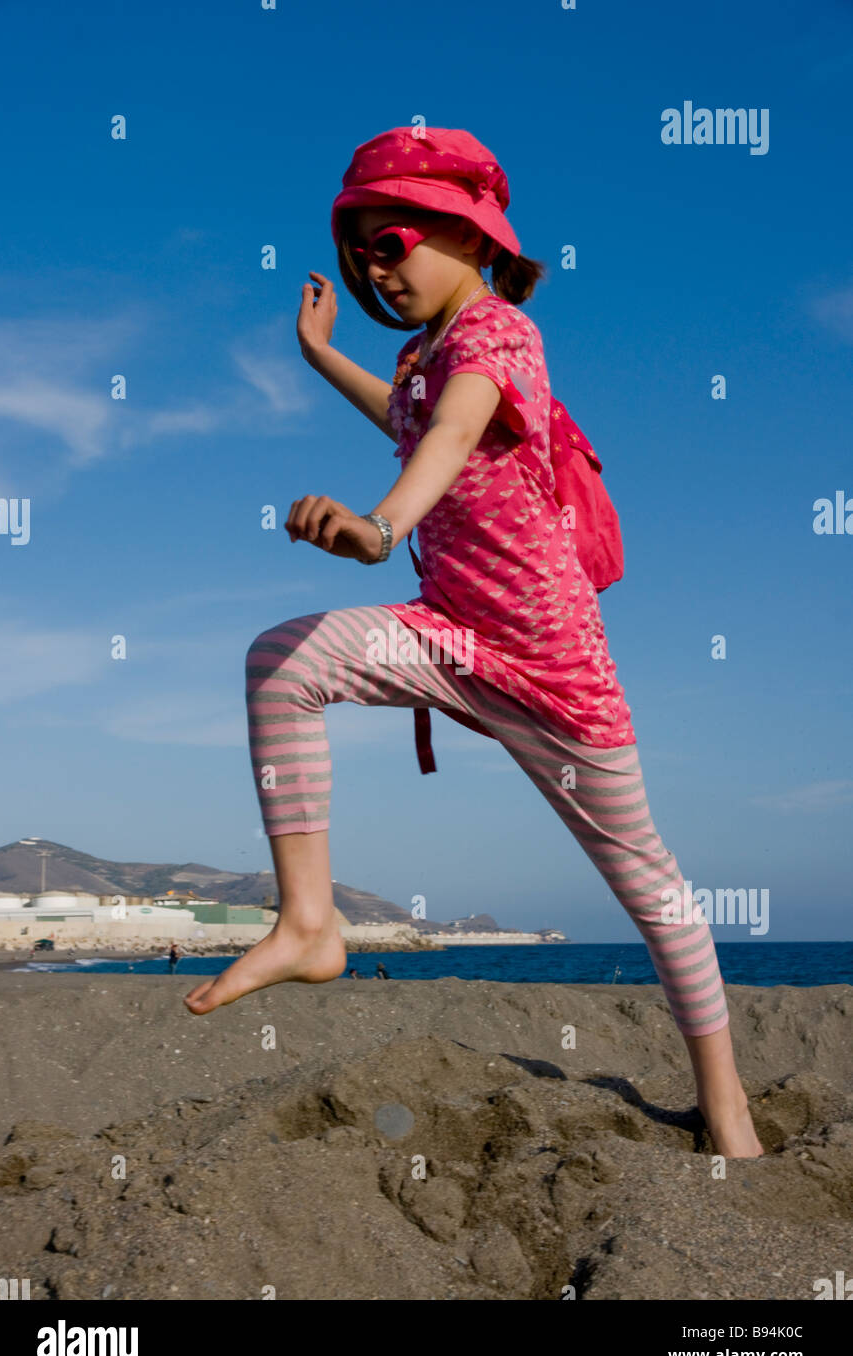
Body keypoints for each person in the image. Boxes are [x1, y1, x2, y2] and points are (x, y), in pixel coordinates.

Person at [183, 126, 762, 1159]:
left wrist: (377, 529)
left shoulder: (497, 337)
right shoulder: (420, 357)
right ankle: (310, 923)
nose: (375, 264)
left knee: (650, 885)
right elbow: (412, 420)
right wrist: (322, 358)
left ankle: (726, 1107)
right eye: (362, 249)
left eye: (393, 238)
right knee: (280, 659)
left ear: (468, 235)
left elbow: (450, 434)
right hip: (449, 637)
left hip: (549, 665)